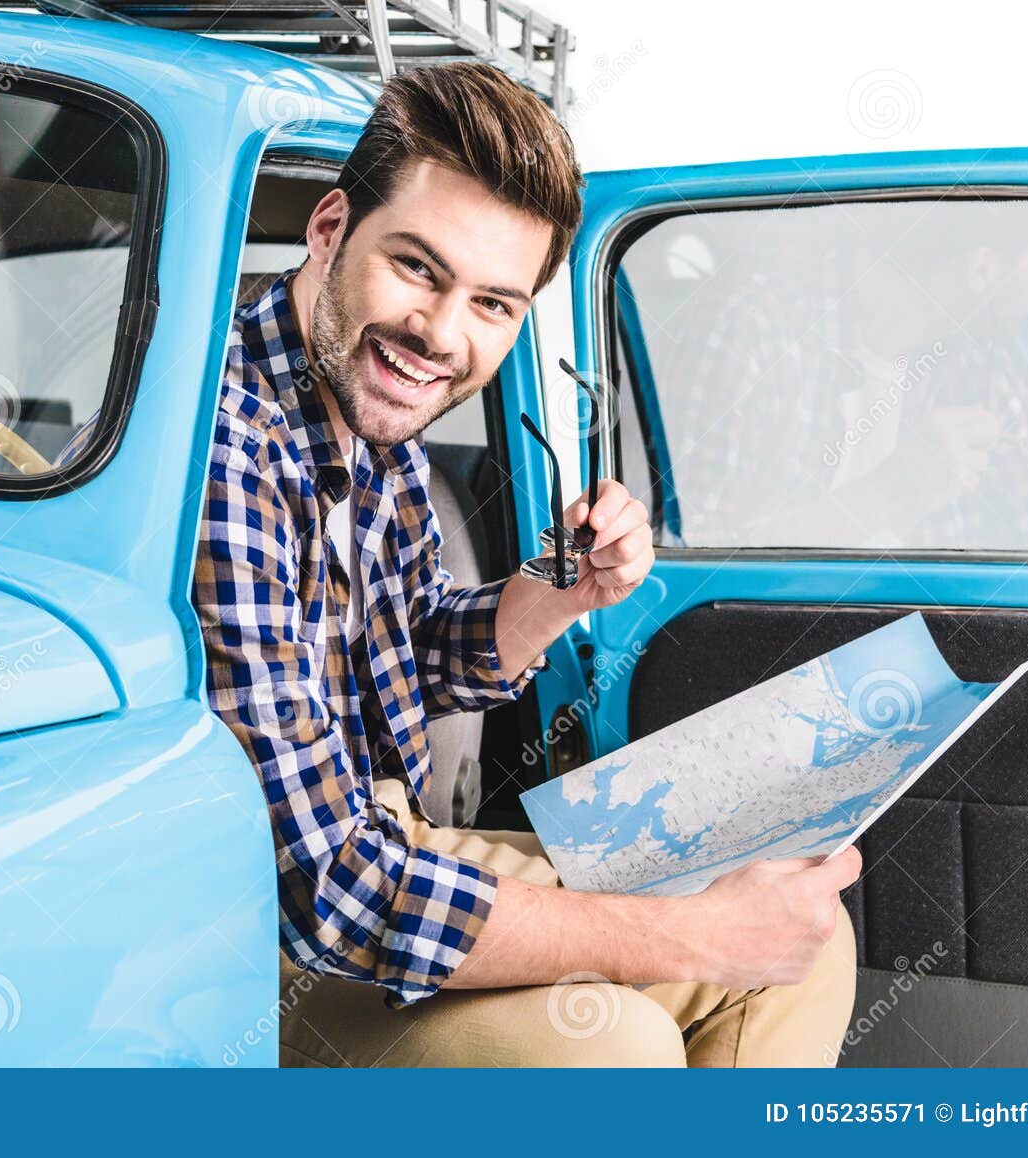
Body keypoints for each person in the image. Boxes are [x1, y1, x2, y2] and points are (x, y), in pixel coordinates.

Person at [194, 61, 859, 1067]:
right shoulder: (228, 448)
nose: (440, 335)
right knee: (608, 1047)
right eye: (417, 268)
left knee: (797, 942)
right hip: (237, 944)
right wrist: (696, 935)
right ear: (329, 229)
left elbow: (406, 660)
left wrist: (558, 592)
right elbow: (331, 894)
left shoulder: (373, 407)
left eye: (492, 305)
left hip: (384, 843)